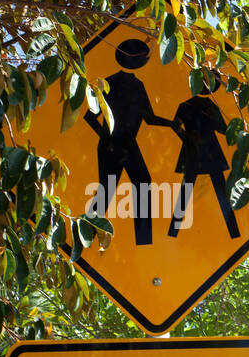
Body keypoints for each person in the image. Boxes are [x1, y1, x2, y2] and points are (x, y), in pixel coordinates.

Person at [83, 38, 174, 246]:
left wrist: (171, 125)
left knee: (122, 186)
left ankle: (142, 240)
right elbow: (149, 118)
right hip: (119, 144)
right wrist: (108, 137)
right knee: (124, 186)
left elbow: (148, 118)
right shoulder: (117, 84)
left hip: (119, 144)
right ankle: (141, 239)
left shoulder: (112, 82)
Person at [168, 73, 239, 239]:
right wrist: (189, 137)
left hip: (209, 151)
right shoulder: (189, 105)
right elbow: (176, 125)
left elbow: (222, 129)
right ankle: (172, 232)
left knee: (220, 190)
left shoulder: (208, 106)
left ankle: (234, 232)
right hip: (198, 151)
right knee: (189, 190)